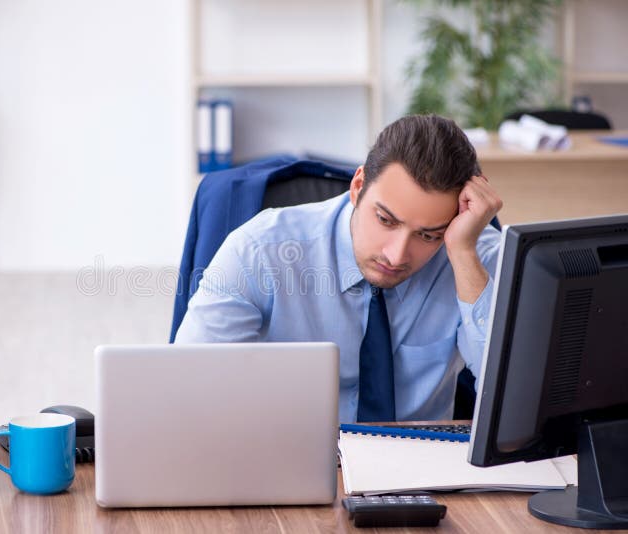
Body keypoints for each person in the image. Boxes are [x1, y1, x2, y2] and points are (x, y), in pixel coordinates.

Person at [175, 115, 503, 423]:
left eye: (428, 235)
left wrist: (462, 253)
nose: (396, 255)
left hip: (422, 468)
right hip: (289, 460)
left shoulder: (471, 251)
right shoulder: (261, 251)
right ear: (358, 186)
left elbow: (508, 391)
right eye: (386, 220)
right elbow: (188, 391)